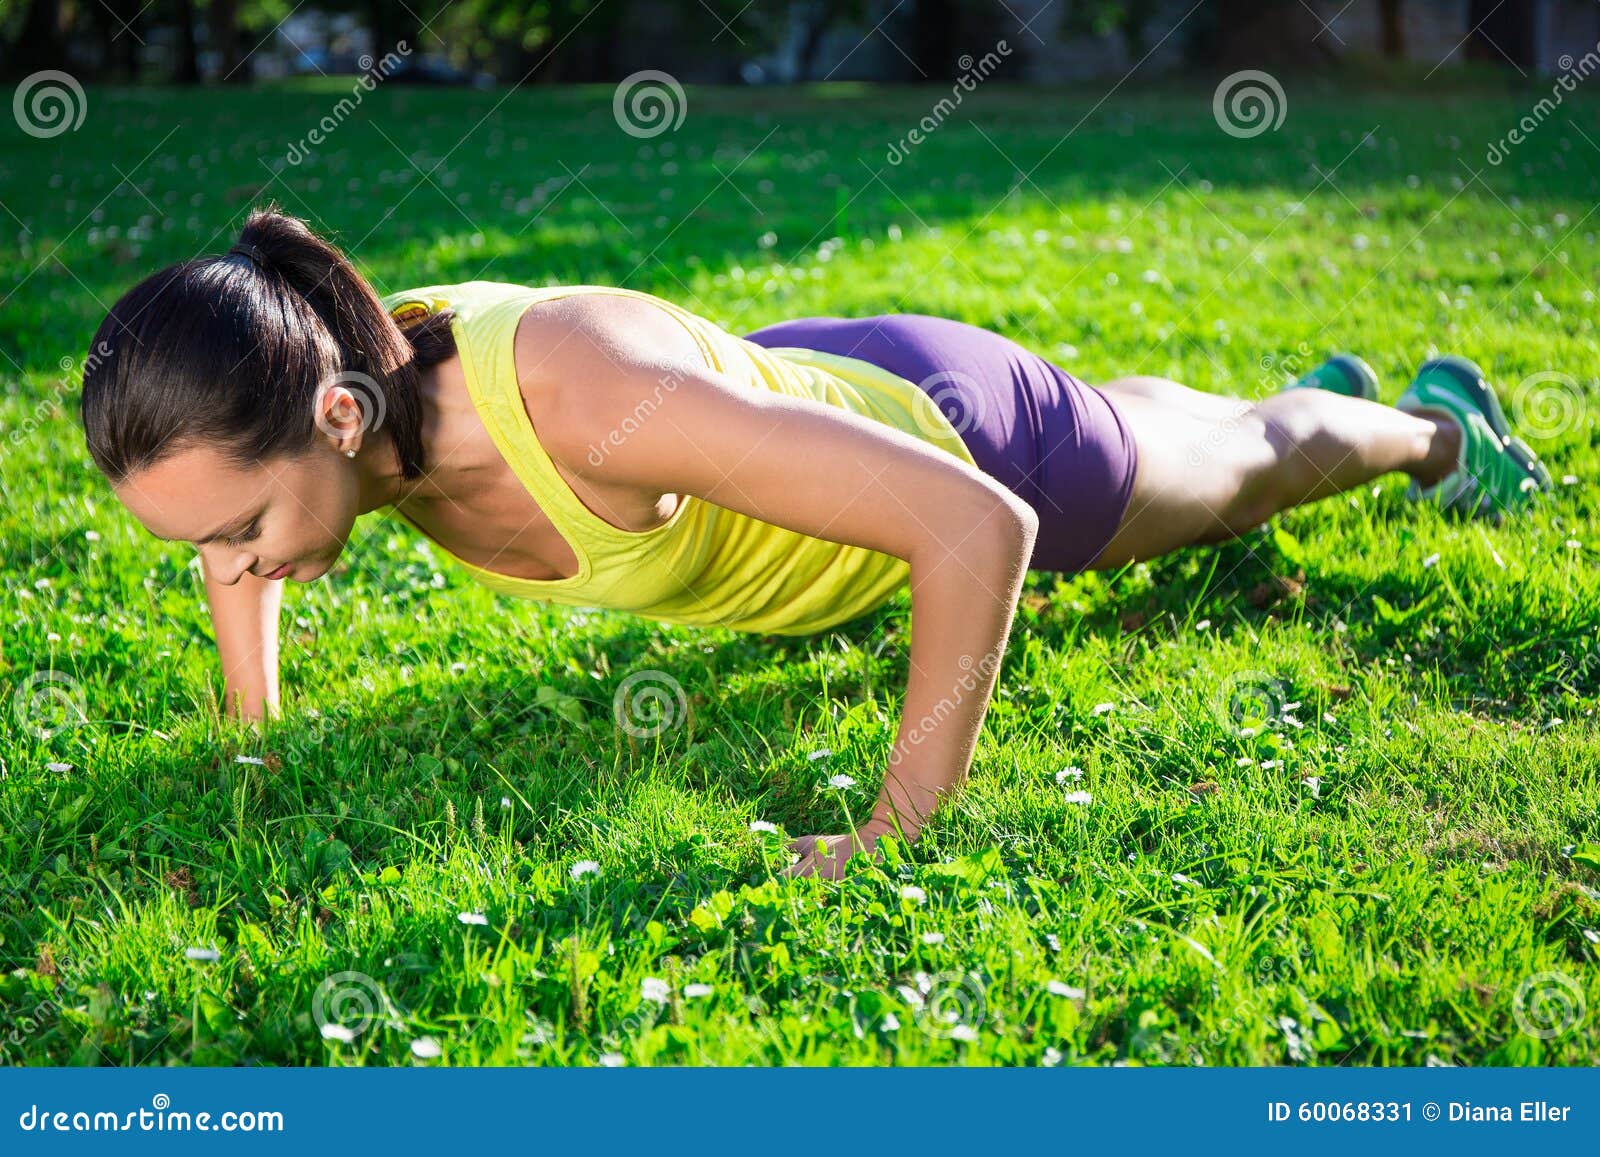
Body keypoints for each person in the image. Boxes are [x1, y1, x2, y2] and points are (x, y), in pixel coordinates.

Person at [78, 205, 1553, 879]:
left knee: (1230, 479)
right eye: (211, 544)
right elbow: (225, 542)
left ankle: (1426, 430)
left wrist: (897, 822)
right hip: (776, 388)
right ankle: (1279, 403)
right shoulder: (336, 385)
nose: (239, 566)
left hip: (961, 436)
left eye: (246, 532)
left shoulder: (569, 397)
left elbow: (977, 524)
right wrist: (251, 738)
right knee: (1165, 430)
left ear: (338, 414)